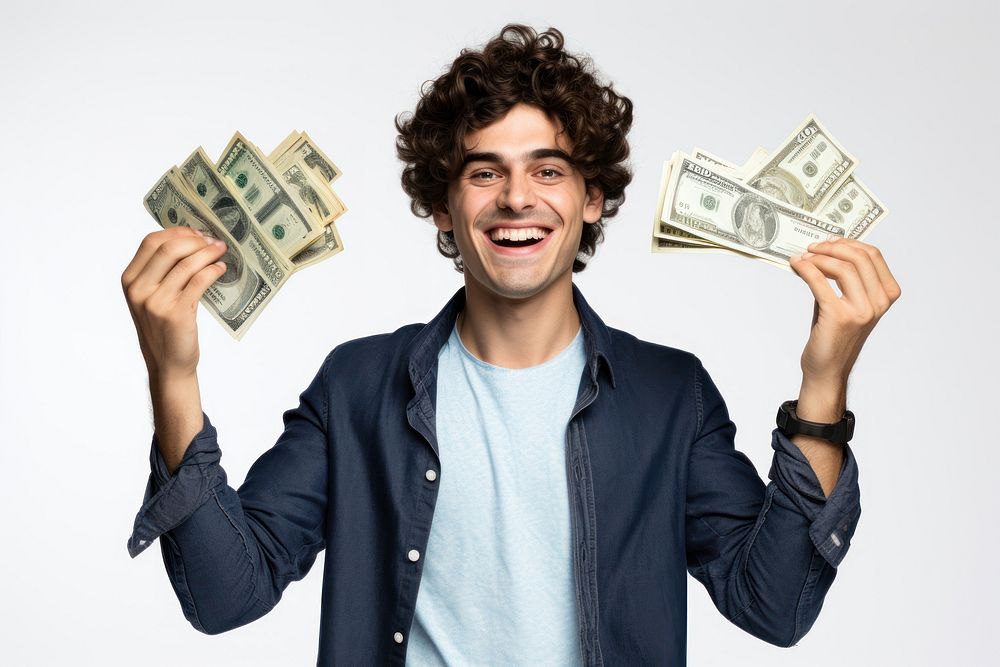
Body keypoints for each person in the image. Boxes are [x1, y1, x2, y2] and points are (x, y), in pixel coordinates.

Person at [122, 24, 901, 666]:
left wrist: (823, 383)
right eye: (484, 172)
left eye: (549, 170)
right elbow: (227, 597)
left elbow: (774, 605)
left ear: (592, 199)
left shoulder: (672, 395)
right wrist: (173, 375)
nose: (518, 198)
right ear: (441, 205)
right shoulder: (357, 384)